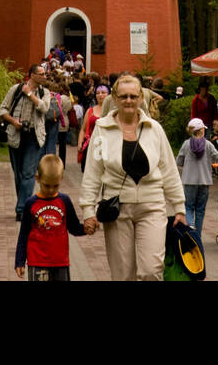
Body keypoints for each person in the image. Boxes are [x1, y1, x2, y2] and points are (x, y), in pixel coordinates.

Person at [80, 72, 187, 281]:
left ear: (141, 98)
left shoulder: (154, 129)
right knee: (123, 273)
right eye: (123, 97)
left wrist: (179, 207)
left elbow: (169, 170)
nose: (128, 101)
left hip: (152, 206)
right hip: (117, 209)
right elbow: (93, 172)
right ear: (115, 99)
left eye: (133, 96)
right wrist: (87, 210)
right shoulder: (102, 129)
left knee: (151, 271)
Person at [15, 155, 84, 281]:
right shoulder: (31, 203)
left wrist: (87, 228)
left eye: (55, 185)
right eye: (46, 185)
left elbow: (74, 228)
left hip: (61, 262)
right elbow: (24, 234)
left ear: (61, 179)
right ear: (38, 179)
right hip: (38, 262)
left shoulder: (65, 201)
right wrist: (19, 261)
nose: (51, 190)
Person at [0, 64, 51, 220]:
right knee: (19, 174)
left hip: (34, 137)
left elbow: (44, 109)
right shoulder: (15, 89)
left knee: (28, 174)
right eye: (41, 74)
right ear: (32, 75)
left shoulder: (44, 92)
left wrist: (30, 95)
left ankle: (22, 209)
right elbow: (2, 109)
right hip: (16, 135)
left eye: (45, 74)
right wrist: (13, 121)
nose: (44, 77)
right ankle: (24, 204)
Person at [176, 118, 218, 237]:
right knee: (200, 210)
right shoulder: (208, 145)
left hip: (189, 181)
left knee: (188, 207)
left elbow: (179, 161)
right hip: (205, 181)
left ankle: (189, 230)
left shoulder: (186, 144)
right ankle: (197, 236)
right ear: (202, 131)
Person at [77, 85, 109, 170]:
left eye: (103, 93)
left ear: (109, 95)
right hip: (90, 146)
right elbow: (83, 130)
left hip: (106, 147)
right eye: (97, 93)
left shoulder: (112, 111)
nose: (100, 95)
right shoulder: (90, 110)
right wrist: (80, 143)